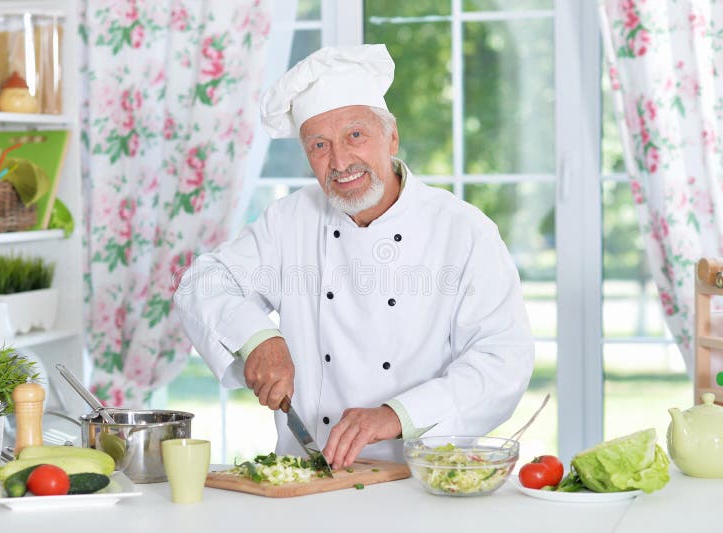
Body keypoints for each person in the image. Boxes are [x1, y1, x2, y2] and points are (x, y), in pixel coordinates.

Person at [174, 44, 534, 469]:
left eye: (355, 136)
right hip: (308, 477)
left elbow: (502, 360)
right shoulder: (289, 220)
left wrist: (398, 414)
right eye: (320, 145)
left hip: (420, 478)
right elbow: (203, 283)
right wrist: (259, 339)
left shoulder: (464, 231)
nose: (341, 161)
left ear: (392, 135)